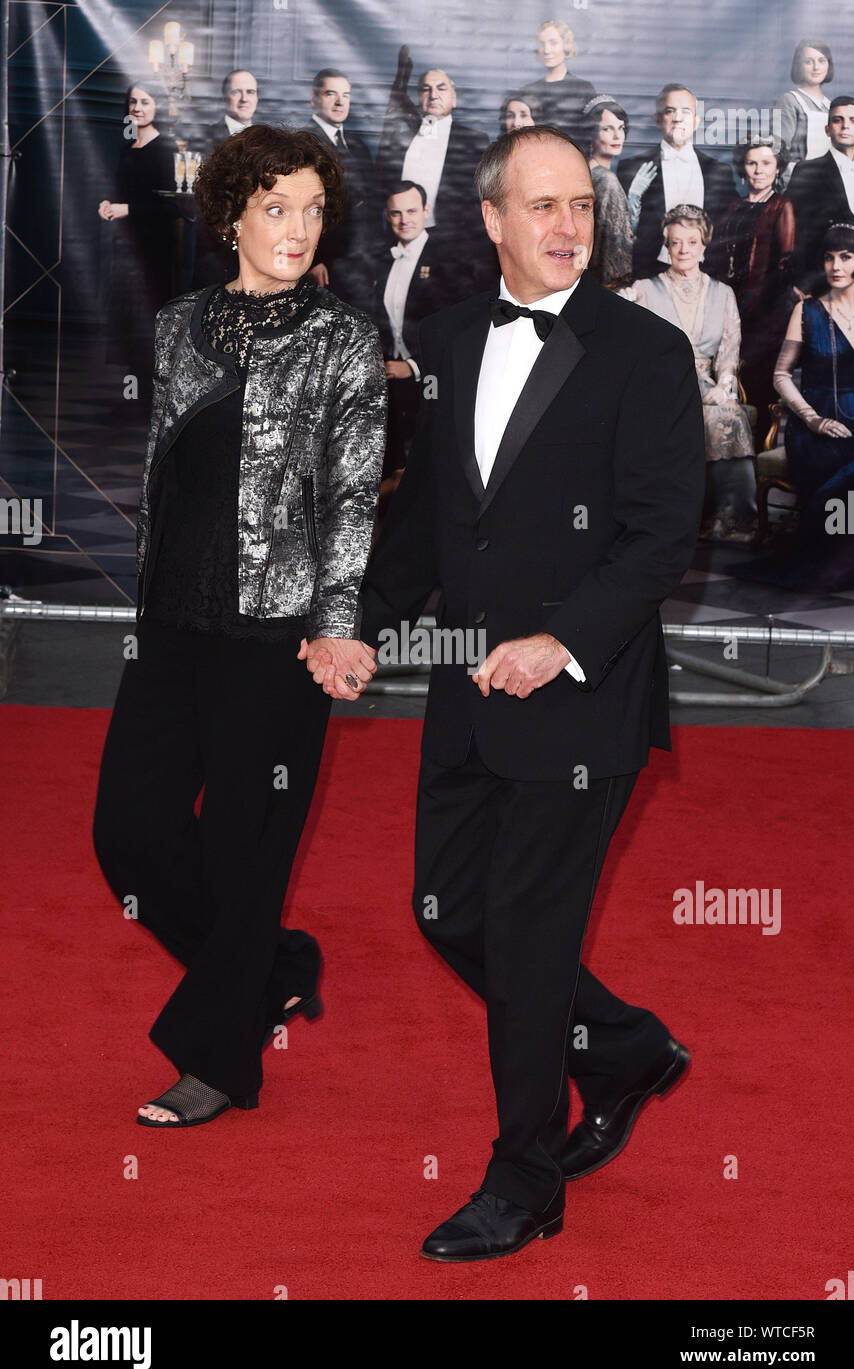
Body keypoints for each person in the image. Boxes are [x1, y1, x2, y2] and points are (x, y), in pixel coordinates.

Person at [356, 125, 704, 1261]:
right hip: (465, 685)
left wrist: (560, 639)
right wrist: (348, 629)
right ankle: (619, 1046)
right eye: (541, 207)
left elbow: (661, 539)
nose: (566, 229)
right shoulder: (453, 336)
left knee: (530, 930)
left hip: (578, 697)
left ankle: (525, 1176)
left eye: (582, 209)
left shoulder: (644, 352)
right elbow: (427, 524)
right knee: (444, 912)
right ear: (493, 221)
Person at [92, 125, 387, 1129]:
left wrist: (340, 623)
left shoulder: (344, 337)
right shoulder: (179, 326)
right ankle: (273, 963)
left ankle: (217, 1062)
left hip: (282, 632)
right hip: (174, 621)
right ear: (230, 217)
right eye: (276, 208)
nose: (298, 228)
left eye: (311, 210)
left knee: (242, 849)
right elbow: (166, 476)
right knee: (127, 832)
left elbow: (353, 497)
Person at [620, 204, 756, 539]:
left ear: (703, 245)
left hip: (710, 385)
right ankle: (676, 519)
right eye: (676, 242)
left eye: (691, 242)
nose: (683, 250)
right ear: (666, 246)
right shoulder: (644, 290)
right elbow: (623, 338)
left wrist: (724, 386)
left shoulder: (723, 293)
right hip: (659, 385)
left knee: (727, 415)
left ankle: (731, 518)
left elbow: (728, 352)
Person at [752, 223, 854, 591]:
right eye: (829, 257)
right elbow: (781, 374)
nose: (836, 265)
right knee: (842, 467)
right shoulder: (806, 311)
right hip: (815, 426)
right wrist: (813, 419)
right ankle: (831, 563)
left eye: (845, 257)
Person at [372, 180, 466, 501]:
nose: (404, 220)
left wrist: (411, 367)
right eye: (396, 213)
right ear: (387, 216)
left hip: (432, 380)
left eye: (412, 211)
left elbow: (460, 329)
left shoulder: (447, 260)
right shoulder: (384, 259)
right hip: (394, 383)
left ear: (426, 211)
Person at [376, 54, 492, 287]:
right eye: (426, 89)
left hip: (453, 245)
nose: (433, 94)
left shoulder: (474, 141)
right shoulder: (401, 137)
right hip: (402, 238)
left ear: (454, 98)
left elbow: (480, 203)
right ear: (419, 97)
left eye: (441, 88)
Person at [711, 135, 795, 445]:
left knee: (757, 393)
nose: (758, 170)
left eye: (766, 163)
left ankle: (756, 463)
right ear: (742, 168)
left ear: (777, 169)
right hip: (730, 311)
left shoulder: (782, 206)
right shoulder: (734, 206)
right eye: (751, 163)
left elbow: (784, 268)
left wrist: (765, 321)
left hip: (765, 319)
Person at [98, 81, 176, 403]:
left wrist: (126, 209)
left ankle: (148, 395)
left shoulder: (165, 148)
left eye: (145, 101)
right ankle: (132, 395)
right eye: (133, 102)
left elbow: (171, 205)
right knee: (128, 320)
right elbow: (120, 193)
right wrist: (107, 204)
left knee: (149, 317)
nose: (137, 108)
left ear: (156, 107)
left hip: (153, 248)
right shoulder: (126, 148)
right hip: (127, 247)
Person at [617, 84, 736, 281]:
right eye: (670, 111)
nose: (678, 118)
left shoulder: (720, 171)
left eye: (685, 112)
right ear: (657, 119)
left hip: (709, 276)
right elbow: (619, 233)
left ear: (696, 121)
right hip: (649, 277)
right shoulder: (631, 168)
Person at [303, 68, 376, 309]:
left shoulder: (357, 144)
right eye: (331, 94)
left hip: (361, 261)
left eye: (345, 95)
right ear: (314, 99)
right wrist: (313, 259)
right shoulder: (304, 142)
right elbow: (304, 205)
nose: (339, 101)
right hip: (325, 263)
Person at [190, 70, 261, 289]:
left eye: (250, 92)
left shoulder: (266, 141)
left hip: (257, 245)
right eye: (237, 92)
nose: (244, 98)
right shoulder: (205, 137)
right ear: (224, 98)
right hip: (215, 245)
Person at [787, 96, 854, 296]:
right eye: (838, 120)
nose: (845, 126)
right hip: (821, 286)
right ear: (827, 129)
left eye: (853, 120)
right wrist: (802, 284)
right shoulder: (807, 171)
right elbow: (796, 233)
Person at [582, 94, 633, 286]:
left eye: (621, 128)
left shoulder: (586, 172)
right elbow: (614, 249)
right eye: (607, 129)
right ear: (591, 133)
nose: (617, 136)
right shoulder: (605, 180)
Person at [522, 19, 596, 145]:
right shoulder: (528, 90)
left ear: (566, 45)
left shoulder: (583, 89)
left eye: (553, 43)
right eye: (542, 44)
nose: (546, 50)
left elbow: (591, 135)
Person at [775, 40, 833, 185]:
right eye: (808, 61)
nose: (816, 67)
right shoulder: (788, 101)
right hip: (798, 184)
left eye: (821, 60)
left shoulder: (831, 106)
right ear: (798, 66)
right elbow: (777, 151)